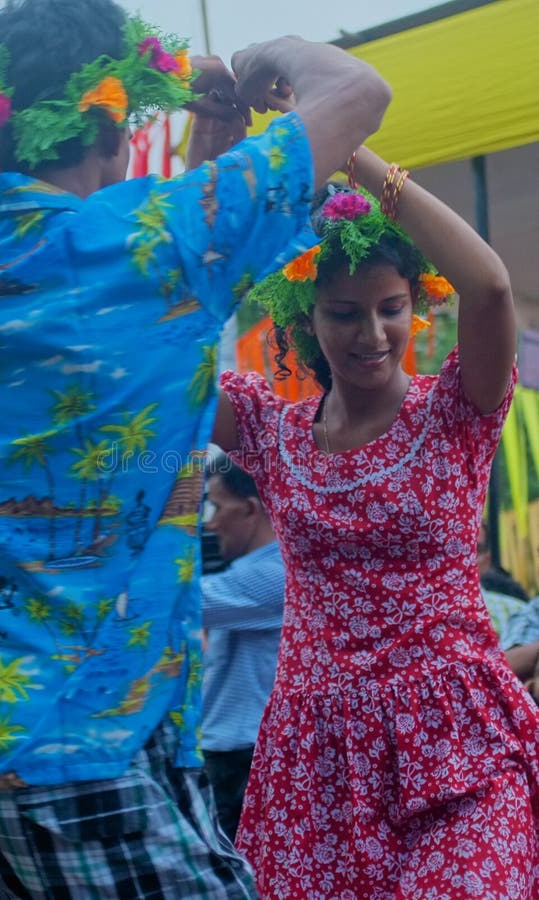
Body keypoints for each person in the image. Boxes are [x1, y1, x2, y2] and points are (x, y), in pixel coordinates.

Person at [0, 0, 392, 895]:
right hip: (89, 759)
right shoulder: (158, 246)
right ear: (113, 130)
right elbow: (357, 88)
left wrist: (152, 92)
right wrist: (251, 61)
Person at [212, 141, 539, 897]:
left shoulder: (454, 411)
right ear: (307, 317)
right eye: (344, 313)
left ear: (415, 308)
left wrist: (346, 150)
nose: (372, 334)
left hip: (457, 742)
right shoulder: (270, 432)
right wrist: (219, 161)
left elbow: (490, 287)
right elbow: (172, 348)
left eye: (391, 308)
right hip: (318, 761)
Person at [201, 452, 285, 841]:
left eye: (217, 507)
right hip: (239, 753)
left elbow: (172, 602)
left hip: (247, 756)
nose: (211, 522)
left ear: (250, 509)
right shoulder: (252, 573)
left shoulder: (276, 574)